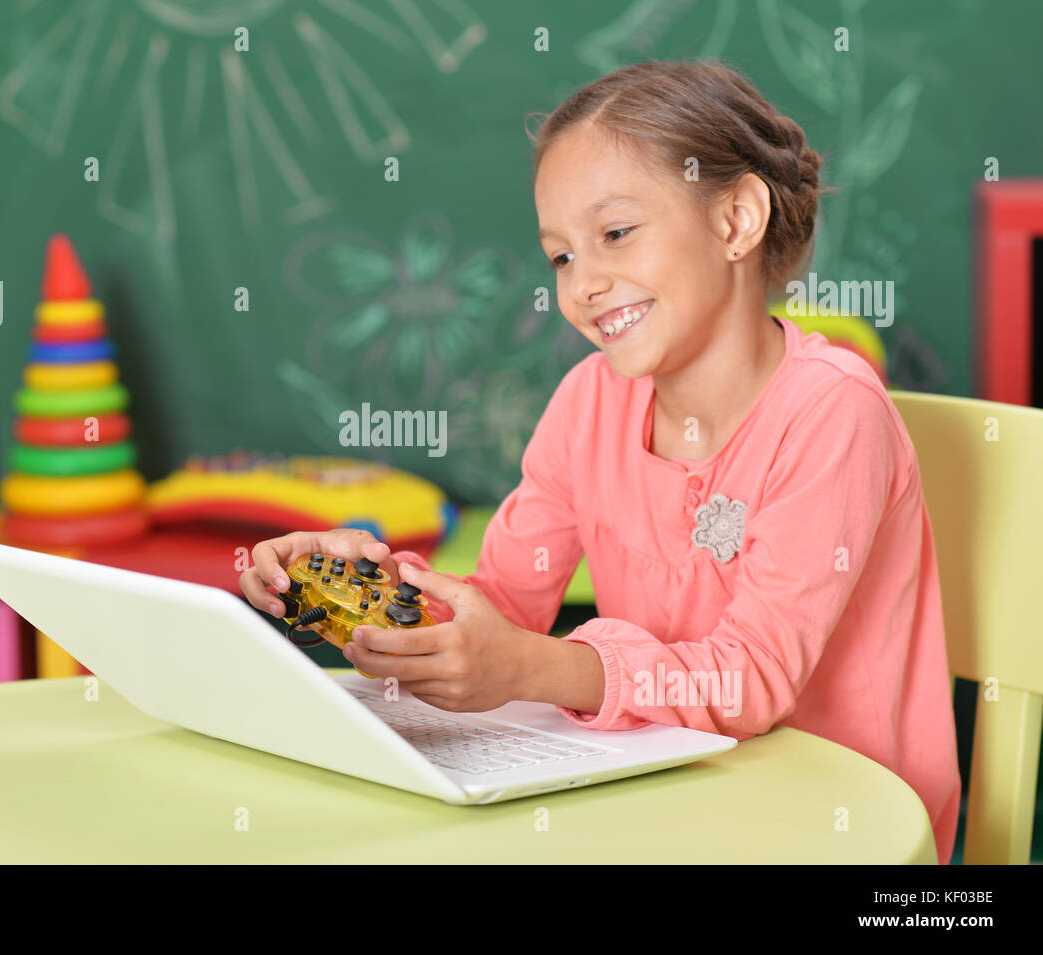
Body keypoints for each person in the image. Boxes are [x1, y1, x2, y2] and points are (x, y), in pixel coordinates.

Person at [239, 59, 960, 865]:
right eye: (560, 257)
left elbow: (746, 680)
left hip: (842, 827)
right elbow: (504, 602)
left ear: (735, 221)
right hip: (668, 800)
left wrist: (538, 666)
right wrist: (375, 591)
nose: (582, 284)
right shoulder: (590, 403)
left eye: (614, 234)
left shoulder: (832, 412)